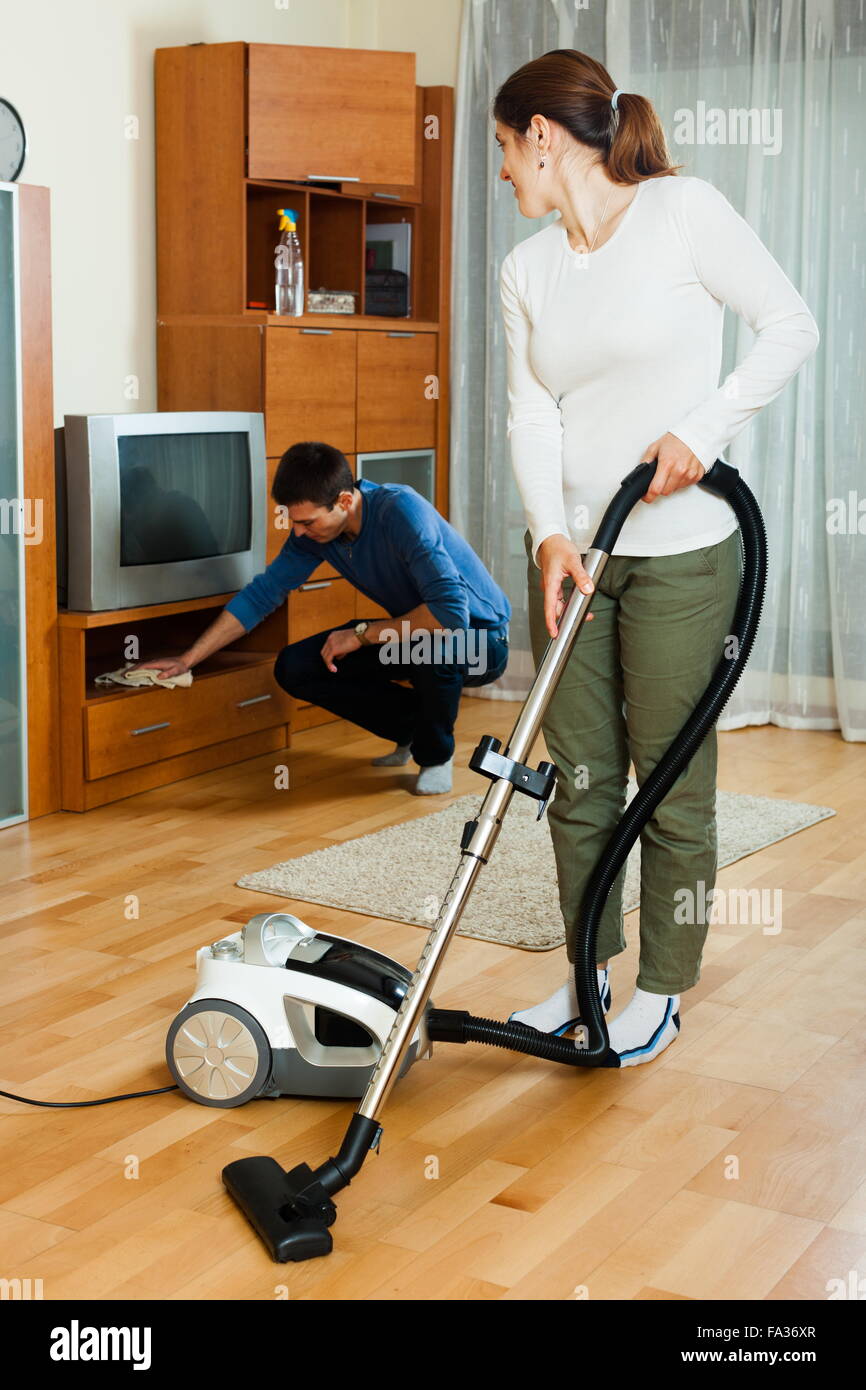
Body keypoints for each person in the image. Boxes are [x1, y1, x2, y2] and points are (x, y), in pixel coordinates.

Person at [494, 50, 819, 1064]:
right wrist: (548, 531)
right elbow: (529, 412)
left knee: (670, 782)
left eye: (504, 150)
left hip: (682, 555)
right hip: (578, 560)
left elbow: (787, 325)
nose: (503, 173)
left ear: (540, 137)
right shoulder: (527, 268)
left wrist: (703, 429)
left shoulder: (683, 213)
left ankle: (662, 991)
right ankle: (586, 972)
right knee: (580, 777)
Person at [140, 442, 511, 795]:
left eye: (307, 521)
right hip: (412, 636)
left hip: (481, 641)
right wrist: (189, 658)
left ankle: (436, 758)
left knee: (435, 647)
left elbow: (451, 614)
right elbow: (263, 594)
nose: (297, 532)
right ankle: (417, 730)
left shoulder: (400, 512)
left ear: (344, 501)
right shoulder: (313, 535)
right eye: (293, 520)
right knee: (297, 666)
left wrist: (363, 636)